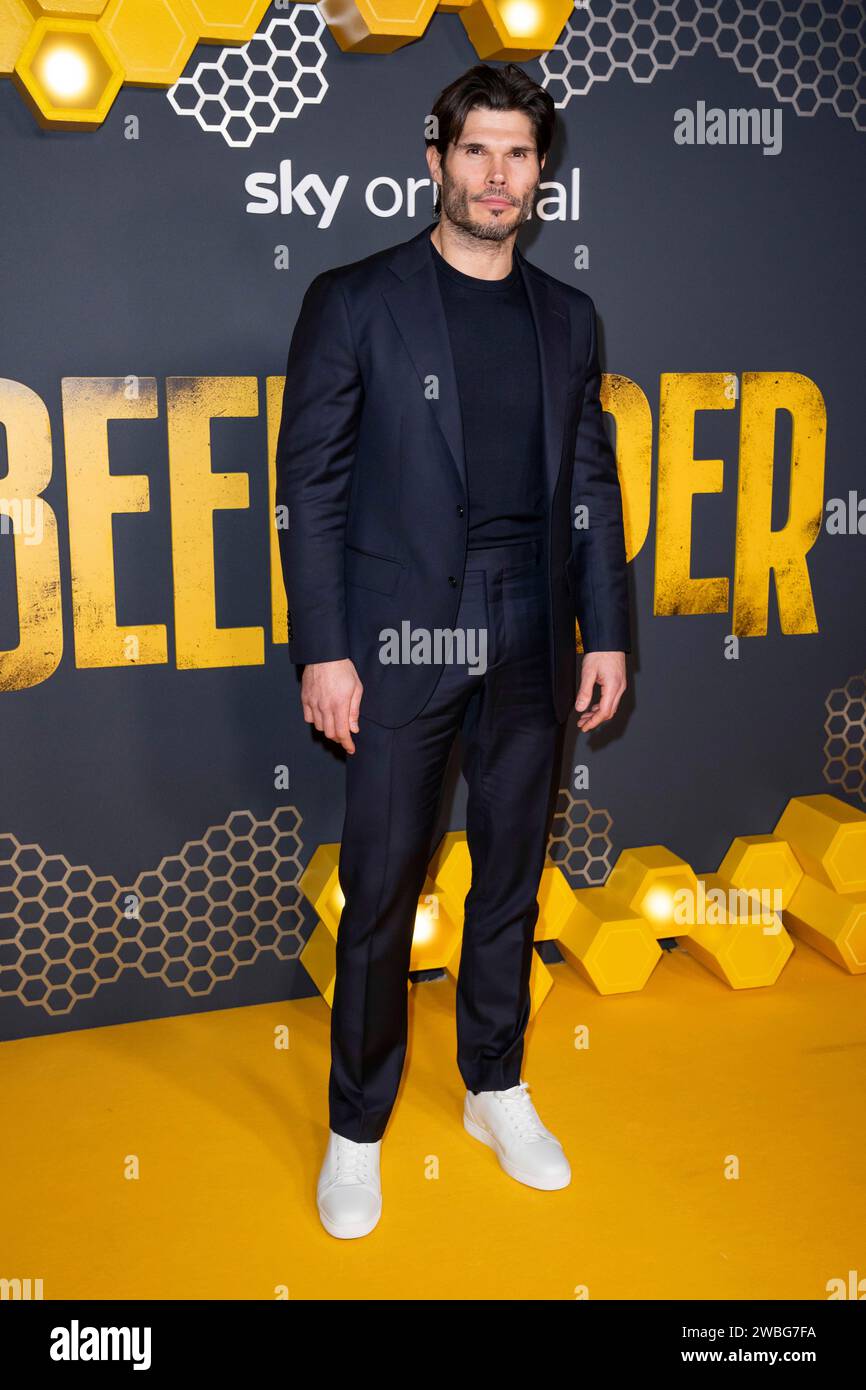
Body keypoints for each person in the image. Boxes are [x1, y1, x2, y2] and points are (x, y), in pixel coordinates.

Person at [275, 62, 631, 1240]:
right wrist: (325, 650)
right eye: (475, 150)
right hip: (396, 639)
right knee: (379, 888)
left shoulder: (566, 319)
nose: (495, 174)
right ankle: (355, 1129)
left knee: (510, 879)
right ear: (434, 160)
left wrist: (606, 633)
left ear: (539, 174)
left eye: (517, 154)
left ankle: (493, 1086)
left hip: (531, 628)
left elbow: (590, 486)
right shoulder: (354, 299)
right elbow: (311, 488)